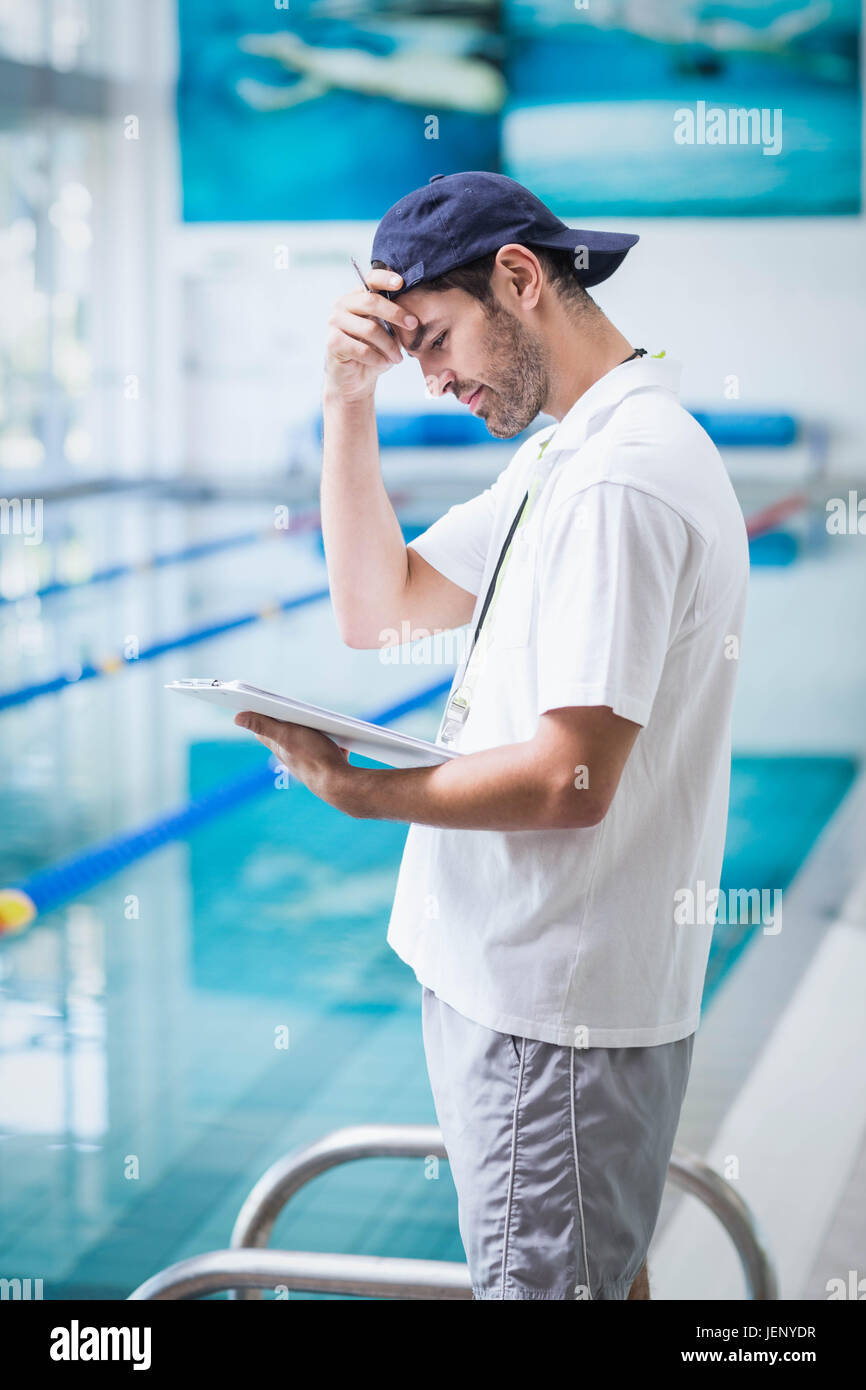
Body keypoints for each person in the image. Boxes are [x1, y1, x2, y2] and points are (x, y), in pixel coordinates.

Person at [235, 171, 750, 1301]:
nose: (431, 377)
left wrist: (362, 789)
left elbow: (570, 779)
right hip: (530, 1003)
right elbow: (379, 605)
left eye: (432, 340)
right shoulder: (568, 455)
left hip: (546, 1018)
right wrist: (344, 401)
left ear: (517, 278)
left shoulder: (619, 478)